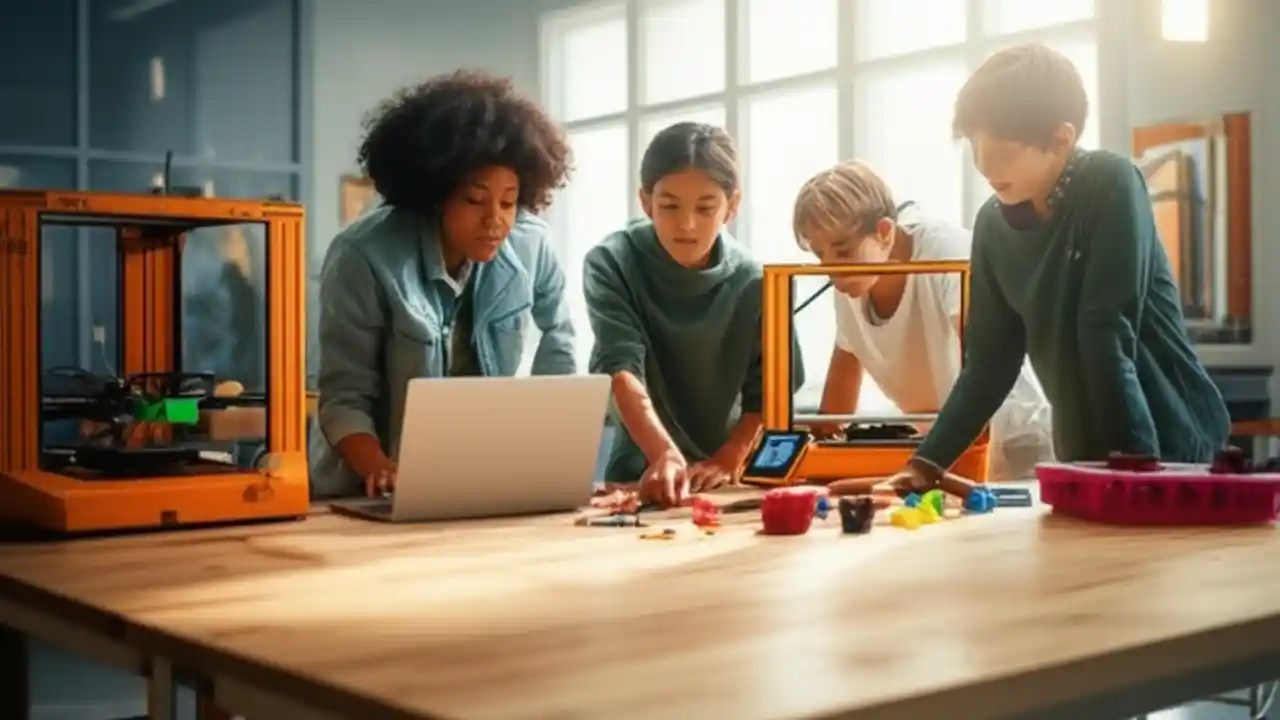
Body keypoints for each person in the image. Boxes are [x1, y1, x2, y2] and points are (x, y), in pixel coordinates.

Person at [882, 43, 1229, 493]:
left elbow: (1106, 329)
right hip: (1086, 458)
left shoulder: (1111, 182)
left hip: (1172, 444)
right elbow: (988, 364)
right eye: (974, 143)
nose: (984, 164)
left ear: (1061, 140)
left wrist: (1138, 475)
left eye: (1002, 147)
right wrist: (926, 464)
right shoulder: (992, 223)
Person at [310, 70, 576, 499]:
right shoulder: (363, 256)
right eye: (475, 200)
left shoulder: (532, 244)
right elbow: (344, 396)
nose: (497, 220)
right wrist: (379, 469)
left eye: (509, 201)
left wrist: (551, 446)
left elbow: (559, 341)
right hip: (361, 491)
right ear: (435, 193)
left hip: (475, 482)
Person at [583, 122, 803, 507]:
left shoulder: (756, 281)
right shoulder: (612, 261)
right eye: (669, 206)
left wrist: (731, 456)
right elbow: (621, 369)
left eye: (705, 208)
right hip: (639, 473)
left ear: (732, 206)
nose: (686, 224)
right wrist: (664, 455)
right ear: (645, 200)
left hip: (727, 479)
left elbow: (769, 391)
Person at [792, 160, 1053, 481]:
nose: (831, 268)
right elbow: (833, 414)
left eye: (842, 250)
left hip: (1013, 447)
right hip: (943, 453)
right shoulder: (853, 277)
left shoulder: (948, 253)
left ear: (885, 232)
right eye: (819, 255)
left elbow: (983, 371)